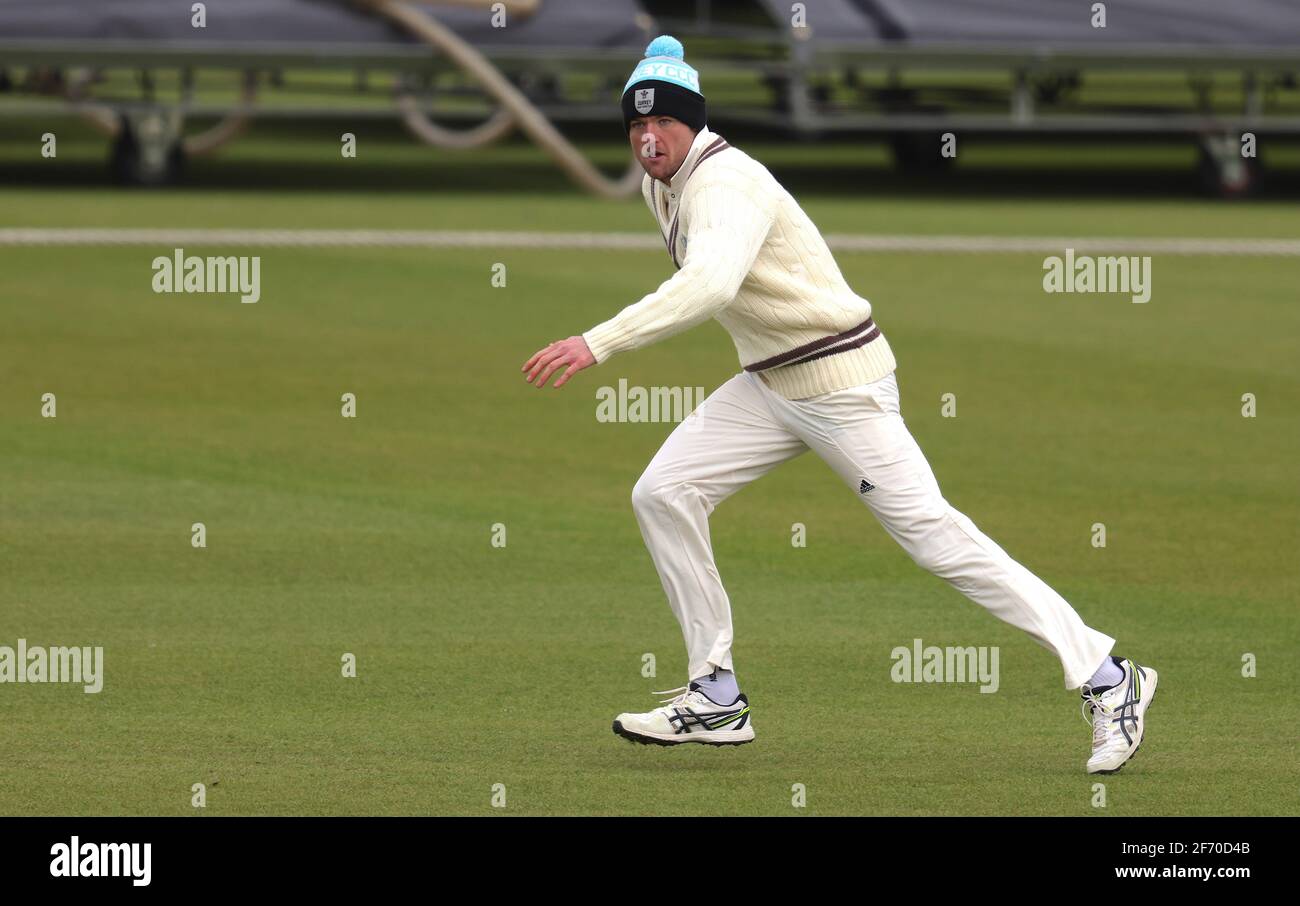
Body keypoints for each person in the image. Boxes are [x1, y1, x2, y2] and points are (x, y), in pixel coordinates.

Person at [520, 36, 1157, 774]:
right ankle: (715, 694)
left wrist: (598, 342)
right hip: (769, 382)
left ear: (694, 124)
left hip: (838, 385)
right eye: (635, 127)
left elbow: (711, 285)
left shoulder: (724, 186)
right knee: (663, 493)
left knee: (938, 541)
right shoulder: (659, 183)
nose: (647, 139)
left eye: (662, 123)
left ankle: (1111, 678)